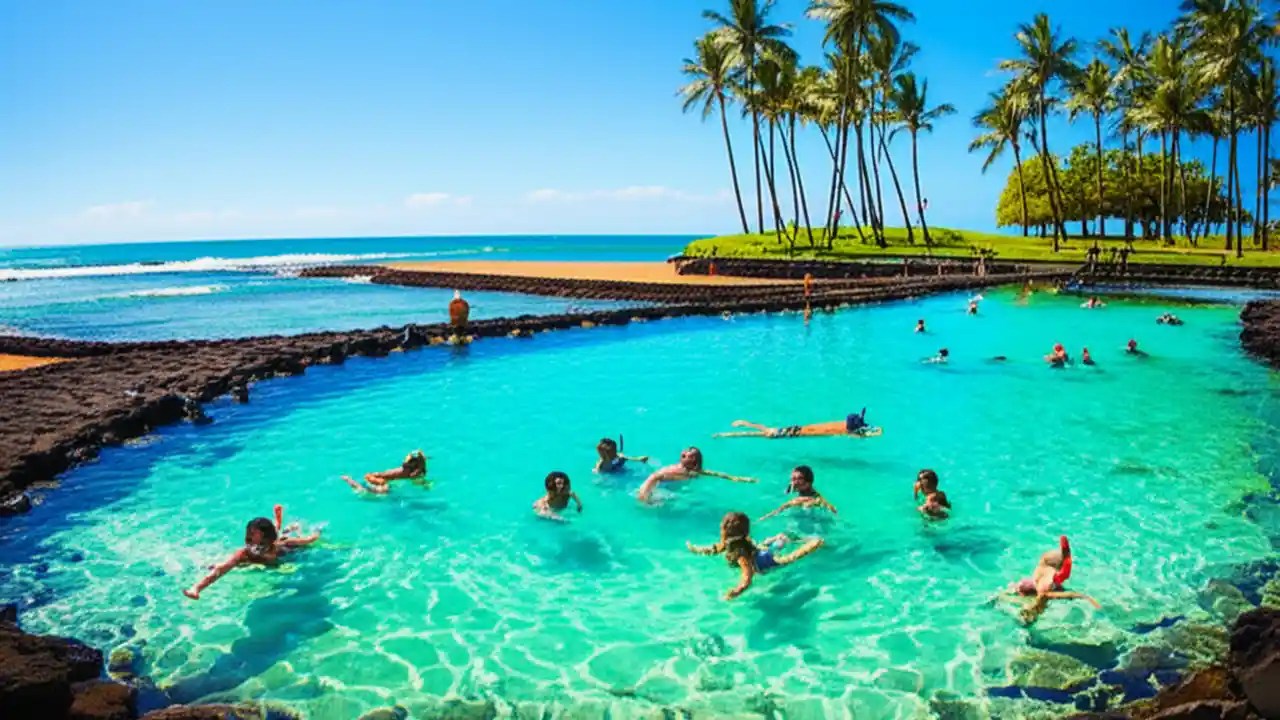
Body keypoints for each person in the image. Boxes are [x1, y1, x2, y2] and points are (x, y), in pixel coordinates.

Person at [183, 506, 321, 600]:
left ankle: (278, 519)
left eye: (253, 534)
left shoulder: (280, 544)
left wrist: (317, 533)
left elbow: (309, 540)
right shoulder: (245, 553)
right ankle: (197, 586)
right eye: (249, 534)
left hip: (276, 552)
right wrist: (197, 588)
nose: (249, 537)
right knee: (221, 565)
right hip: (253, 561)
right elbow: (222, 569)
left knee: (282, 534)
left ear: (265, 537)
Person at [687, 511, 824, 600]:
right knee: (774, 545)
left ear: (726, 531)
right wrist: (698, 550)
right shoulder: (731, 543)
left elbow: (748, 576)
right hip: (761, 552)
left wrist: (737, 591)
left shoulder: (739, 553)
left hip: (764, 562)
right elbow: (715, 549)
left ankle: (814, 544)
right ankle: (780, 539)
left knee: (789, 558)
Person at [1003, 536, 1100, 624]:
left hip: (1027, 586)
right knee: (1036, 607)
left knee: (1015, 593)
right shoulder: (1048, 584)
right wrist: (1079, 595)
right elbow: (1047, 595)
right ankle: (1026, 616)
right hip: (1036, 594)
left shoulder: (1040, 575)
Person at [636, 447, 756, 502]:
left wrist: (736, 478)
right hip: (655, 487)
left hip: (667, 485)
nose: (683, 454)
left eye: (687, 455)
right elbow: (655, 476)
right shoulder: (676, 470)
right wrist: (644, 494)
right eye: (684, 454)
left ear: (694, 461)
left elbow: (713, 473)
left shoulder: (693, 471)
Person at [713, 409, 882, 440]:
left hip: (793, 431)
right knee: (760, 433)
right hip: (791, 432)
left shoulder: (841, 428)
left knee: (758, 433)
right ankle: (726, 435)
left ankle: (727, 434)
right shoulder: (774, 434)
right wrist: (745, 423)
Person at [759, 465, 837, 520]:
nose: (795, 482)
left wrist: (766, 517)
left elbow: (832, 510)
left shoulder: (812, 498)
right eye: (793, 479)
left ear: (809, 481)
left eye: (800, 478)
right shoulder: (794, 488)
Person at [342, 450, 427, 494]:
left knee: (365, 490)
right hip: (383, 481)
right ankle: (349, 480)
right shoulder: (415, 471)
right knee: (365, 490)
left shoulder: (409, 469)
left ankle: (349, 480)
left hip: (384, 480)